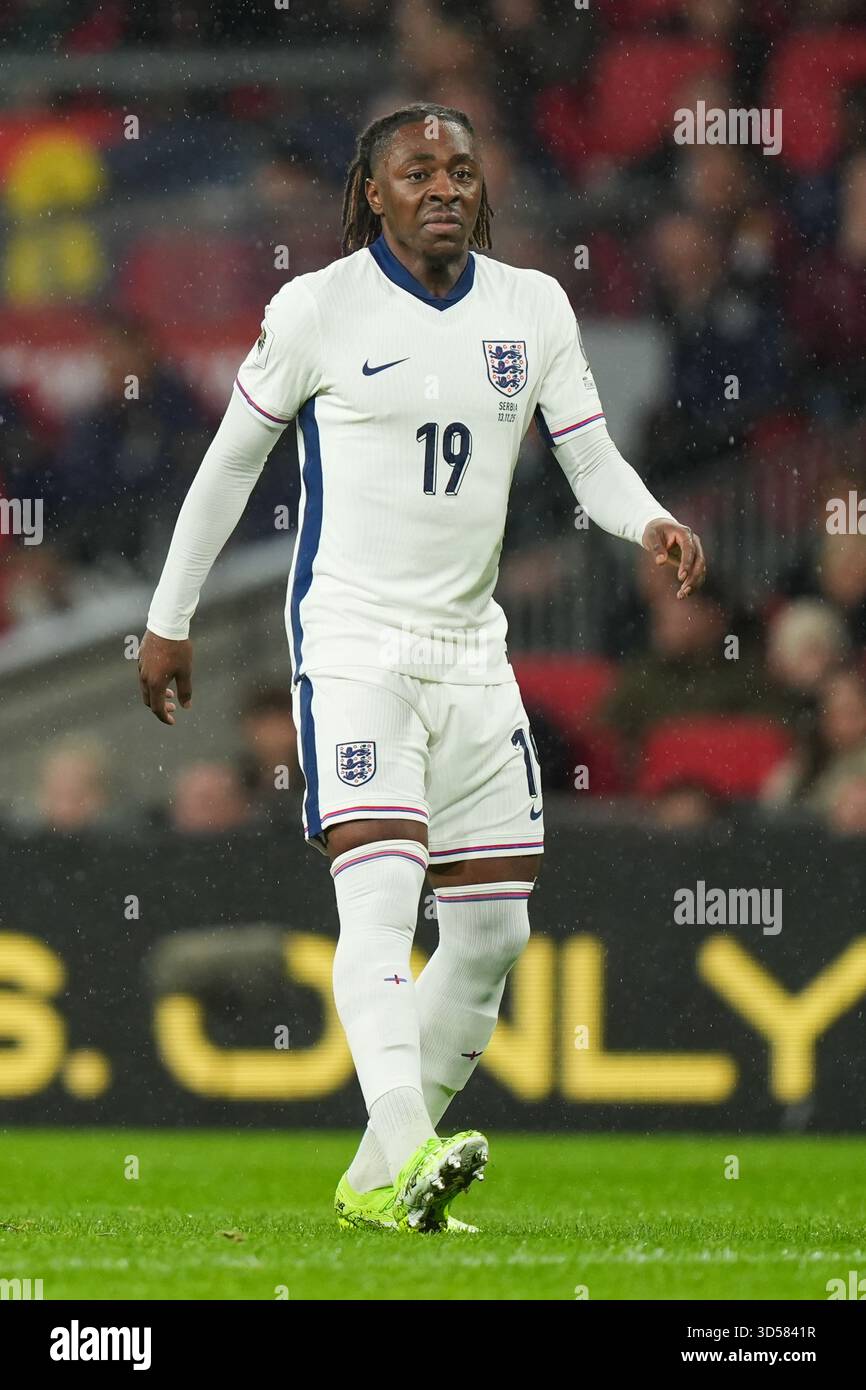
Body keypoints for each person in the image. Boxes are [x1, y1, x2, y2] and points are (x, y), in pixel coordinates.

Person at [138, 103, 706, 1234]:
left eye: (459, 168)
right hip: (354, 645)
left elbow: (587, 458)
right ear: (376, 194)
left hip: (471, 654)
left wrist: (646, 521)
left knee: (492, 935)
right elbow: (227, 466)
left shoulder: (529, 305)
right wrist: (168, 616)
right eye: (417, 171)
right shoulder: (317, 307)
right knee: (382, 894)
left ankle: (367, 1181)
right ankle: (409, 1146)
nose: (443, 185)